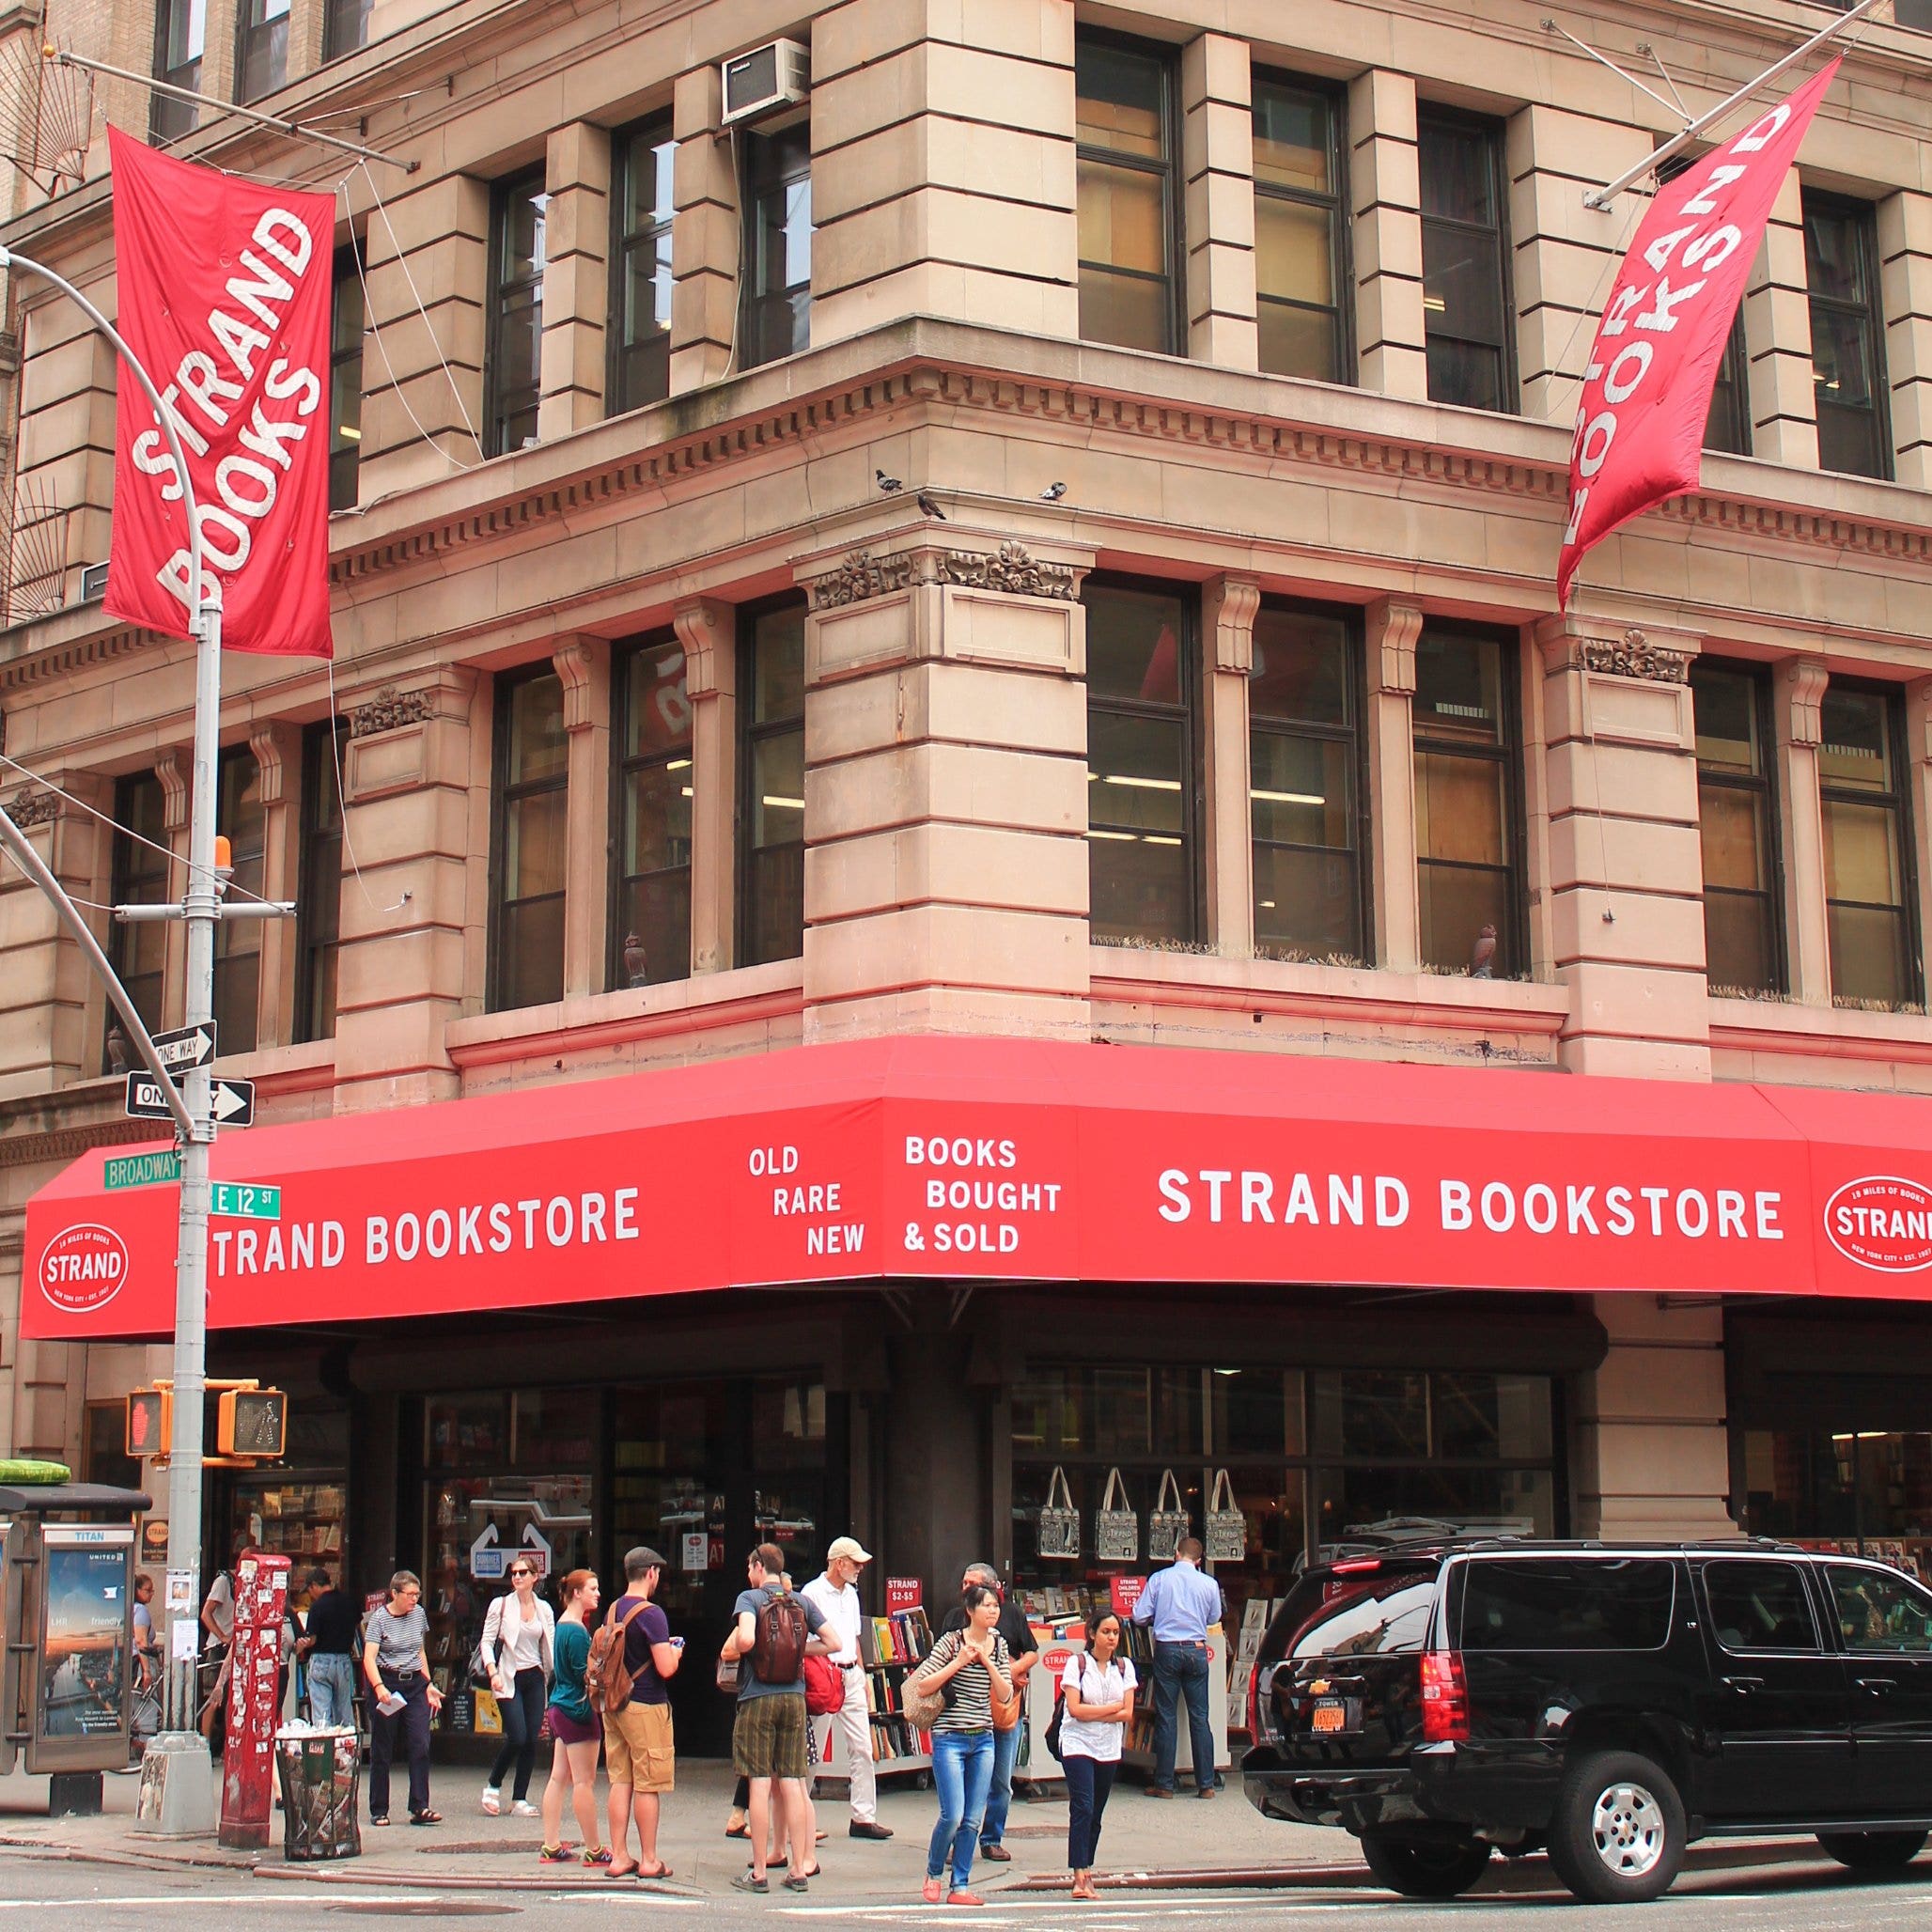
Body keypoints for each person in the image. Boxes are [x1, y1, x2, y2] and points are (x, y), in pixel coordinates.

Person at [722, 1543, 831, 1894]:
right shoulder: (800, 1601)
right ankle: (798, 1869)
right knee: (793, 1781)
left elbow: (746, 1638)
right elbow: (834, 1641)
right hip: (794, 1698)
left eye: (749, 1566)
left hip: (758, 1697)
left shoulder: (749, 1598)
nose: (747, 1573)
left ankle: (758, 1872)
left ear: (757, 1566)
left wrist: (744, 1646)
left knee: (758, 1782)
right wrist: (798, 1648)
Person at [912, 1581, 1014, 1908]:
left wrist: (985, 1661)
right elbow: (923, 1685)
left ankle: (960, 1885)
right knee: (953, 1815)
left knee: (973, 1818)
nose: (993, 1611)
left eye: (996, 1605)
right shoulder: (950, 1641)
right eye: (986, 1605)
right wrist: (958, 1662)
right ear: (970, 1610)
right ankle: (933, 1873)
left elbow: (1005, 1693)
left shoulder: (998, 1644)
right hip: (949, 1738)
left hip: (983, 1738)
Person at [940, 1560, 1038, 1862]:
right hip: (966, 1712)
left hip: (1003, 1708)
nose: (965, 1588)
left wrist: (1012, 1669)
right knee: (965, 1783)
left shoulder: (1011, 1615)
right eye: (964, 1583)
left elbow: (1033, 1652)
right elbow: (942, 1660)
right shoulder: (954, 1618)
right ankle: (957, 1841)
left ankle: (991, 1838)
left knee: (1000, 1782)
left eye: (973, 1583)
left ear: (993, 1588)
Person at [802, 1535, 892, 1842]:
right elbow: (803, 1640)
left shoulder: (851, 1594)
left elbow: (854, 1637)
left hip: (850, 1673)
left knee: (863, 1748)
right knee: (811, 1751)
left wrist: (864, 1677)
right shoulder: (812, 1593)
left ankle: (864, 1817)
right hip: (824, 1674)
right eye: (855, 1563)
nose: (860, 1569)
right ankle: (799, 1815)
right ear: (839, 1563)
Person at [604, 1545, 682, 1879]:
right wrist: (677, 1652)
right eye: (658, 1574)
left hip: (615, 1703)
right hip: (646, 1704)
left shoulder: (612, 1610)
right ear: (650, 1572)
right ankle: (649, 1860)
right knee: (647, 1784)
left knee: (621, 1779)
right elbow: (665, 1668)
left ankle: (619, 1856)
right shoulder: (652, 1614)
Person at [1130, 1535, 1224, 1799]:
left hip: (1167, 1649)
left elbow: (1139, 1615)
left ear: (1175, 1553)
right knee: (1199, 1717)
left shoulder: (1160, 1579)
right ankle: (1205, 1784)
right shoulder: (1209, 1583)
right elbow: (1215, 1617)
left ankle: (1164, 1784)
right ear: (1199, 1560)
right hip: (1196, 1650)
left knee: (1166, 1716)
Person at [1061, 1612, 1138, 1900]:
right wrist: (1110, 1710)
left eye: (1116, 1632)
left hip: (1108, 1746)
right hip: (1077, 1743)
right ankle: (1079, 1874)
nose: (1111, 1637)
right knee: (1083, 1805)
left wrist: (1098, 1712)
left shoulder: (1124, 1667)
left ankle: (1087, 1867)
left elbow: (1128, 1712)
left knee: (1096, 1811)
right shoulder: (1076, 1664)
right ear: (1092, 1633)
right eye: (1106, 1631)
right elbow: (1075, 1710)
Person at [363, 1569, 444, 1825]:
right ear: (394, 1593)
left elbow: (419, 1650)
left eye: (417, 1594)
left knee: (420, 1742)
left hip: (414, 1683)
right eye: (410, 1595)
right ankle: (379, 1809)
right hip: (387, 1680)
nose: (414, 1600)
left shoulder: (418, 1614)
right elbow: (368, 1657)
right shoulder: (379, 1619)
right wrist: (378, 1688)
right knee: (382, 1747)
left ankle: (420, 1806)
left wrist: (429, 1683)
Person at [540, 1568, 609, 1867]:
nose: (597, 1593)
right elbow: (589, 1675)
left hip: (558, 1705)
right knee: (584, 1781)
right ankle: (594, 1848)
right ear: (577, 1593)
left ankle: (550, 1844)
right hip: (579, 1709)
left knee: (558, 1777)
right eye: (592, 1589)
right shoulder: (579, 1632)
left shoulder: (562, 1624)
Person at [480, 1556, 555, 1817]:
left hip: (535, 1677)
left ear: (535, 1577)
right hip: (508, 1677)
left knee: (531, 1740)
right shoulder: (500, 1606)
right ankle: (492, 1785)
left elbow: (550, 1646)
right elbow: (487, 1642)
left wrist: (552, 1675)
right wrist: (492, 1672)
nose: (518, 1577)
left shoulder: (544, 1609)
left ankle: (519, 1799)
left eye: (524, 1572)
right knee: (517, 1736)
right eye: (514, 1573)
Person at [301, 1567, 360, 1730]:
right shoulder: (349, 1601)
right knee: (344, 1711)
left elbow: (312, 1639)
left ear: (314, 1586)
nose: (310, 1594)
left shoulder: (317, 1606)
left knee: (322, 1713)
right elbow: (357, 1625)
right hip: (344, 1660)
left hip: (321, 1660)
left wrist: (301, 1644)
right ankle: (347, 1751)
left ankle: (324, 1751)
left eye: (309, 1590)